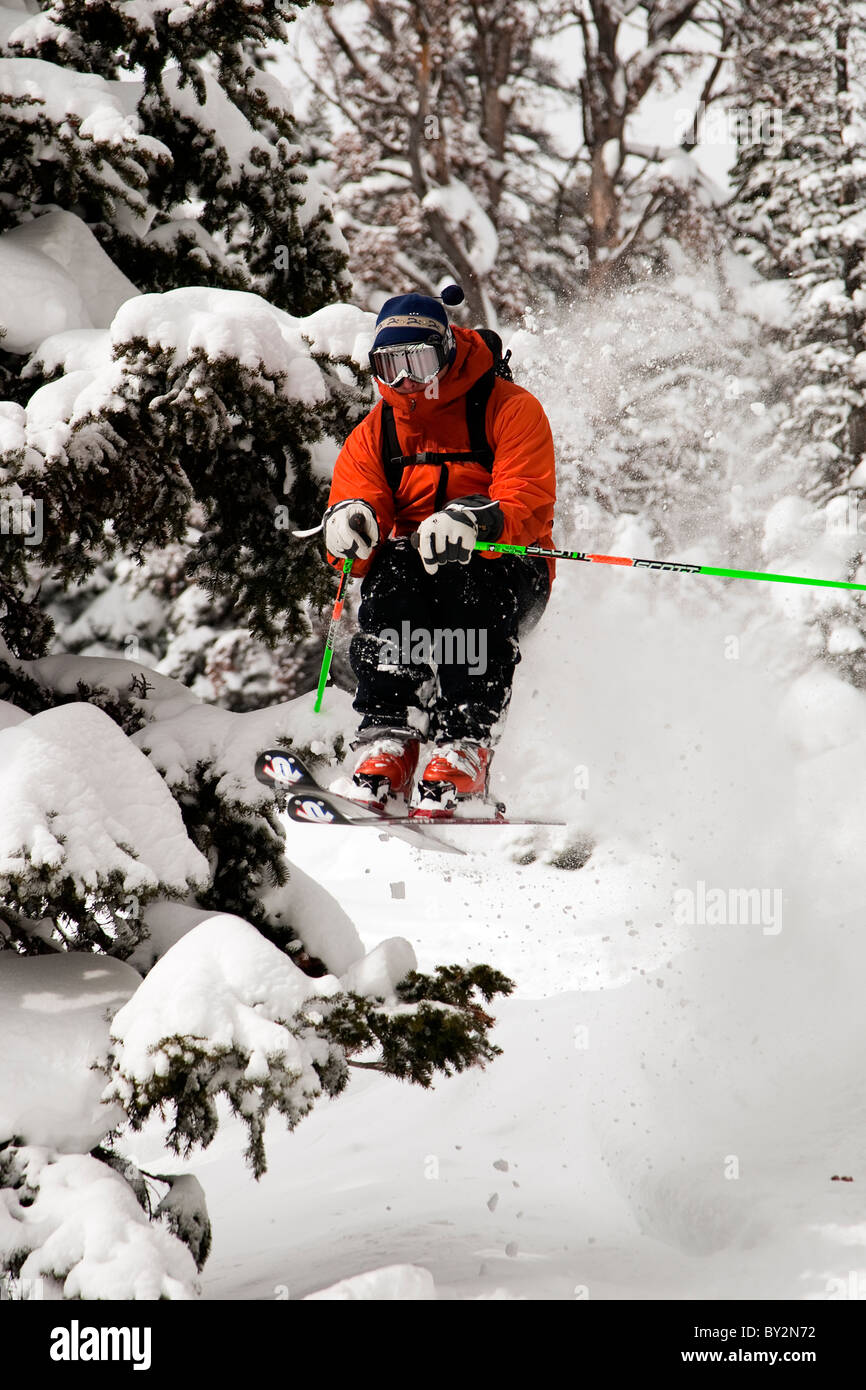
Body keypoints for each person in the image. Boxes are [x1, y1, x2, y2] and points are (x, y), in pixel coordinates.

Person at [322, 286, 556, 818]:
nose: (405, 379)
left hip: (507, 566)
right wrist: (351, 527)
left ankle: (465, 744)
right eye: (390, 365)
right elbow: (356, 533)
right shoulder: (375, 431)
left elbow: (529, 499)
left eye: (419, 361)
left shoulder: (509, 408)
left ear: (447, 350)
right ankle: (391, 738)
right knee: (393, 572)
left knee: (464, 575)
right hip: (416, 574)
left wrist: (477, 521)